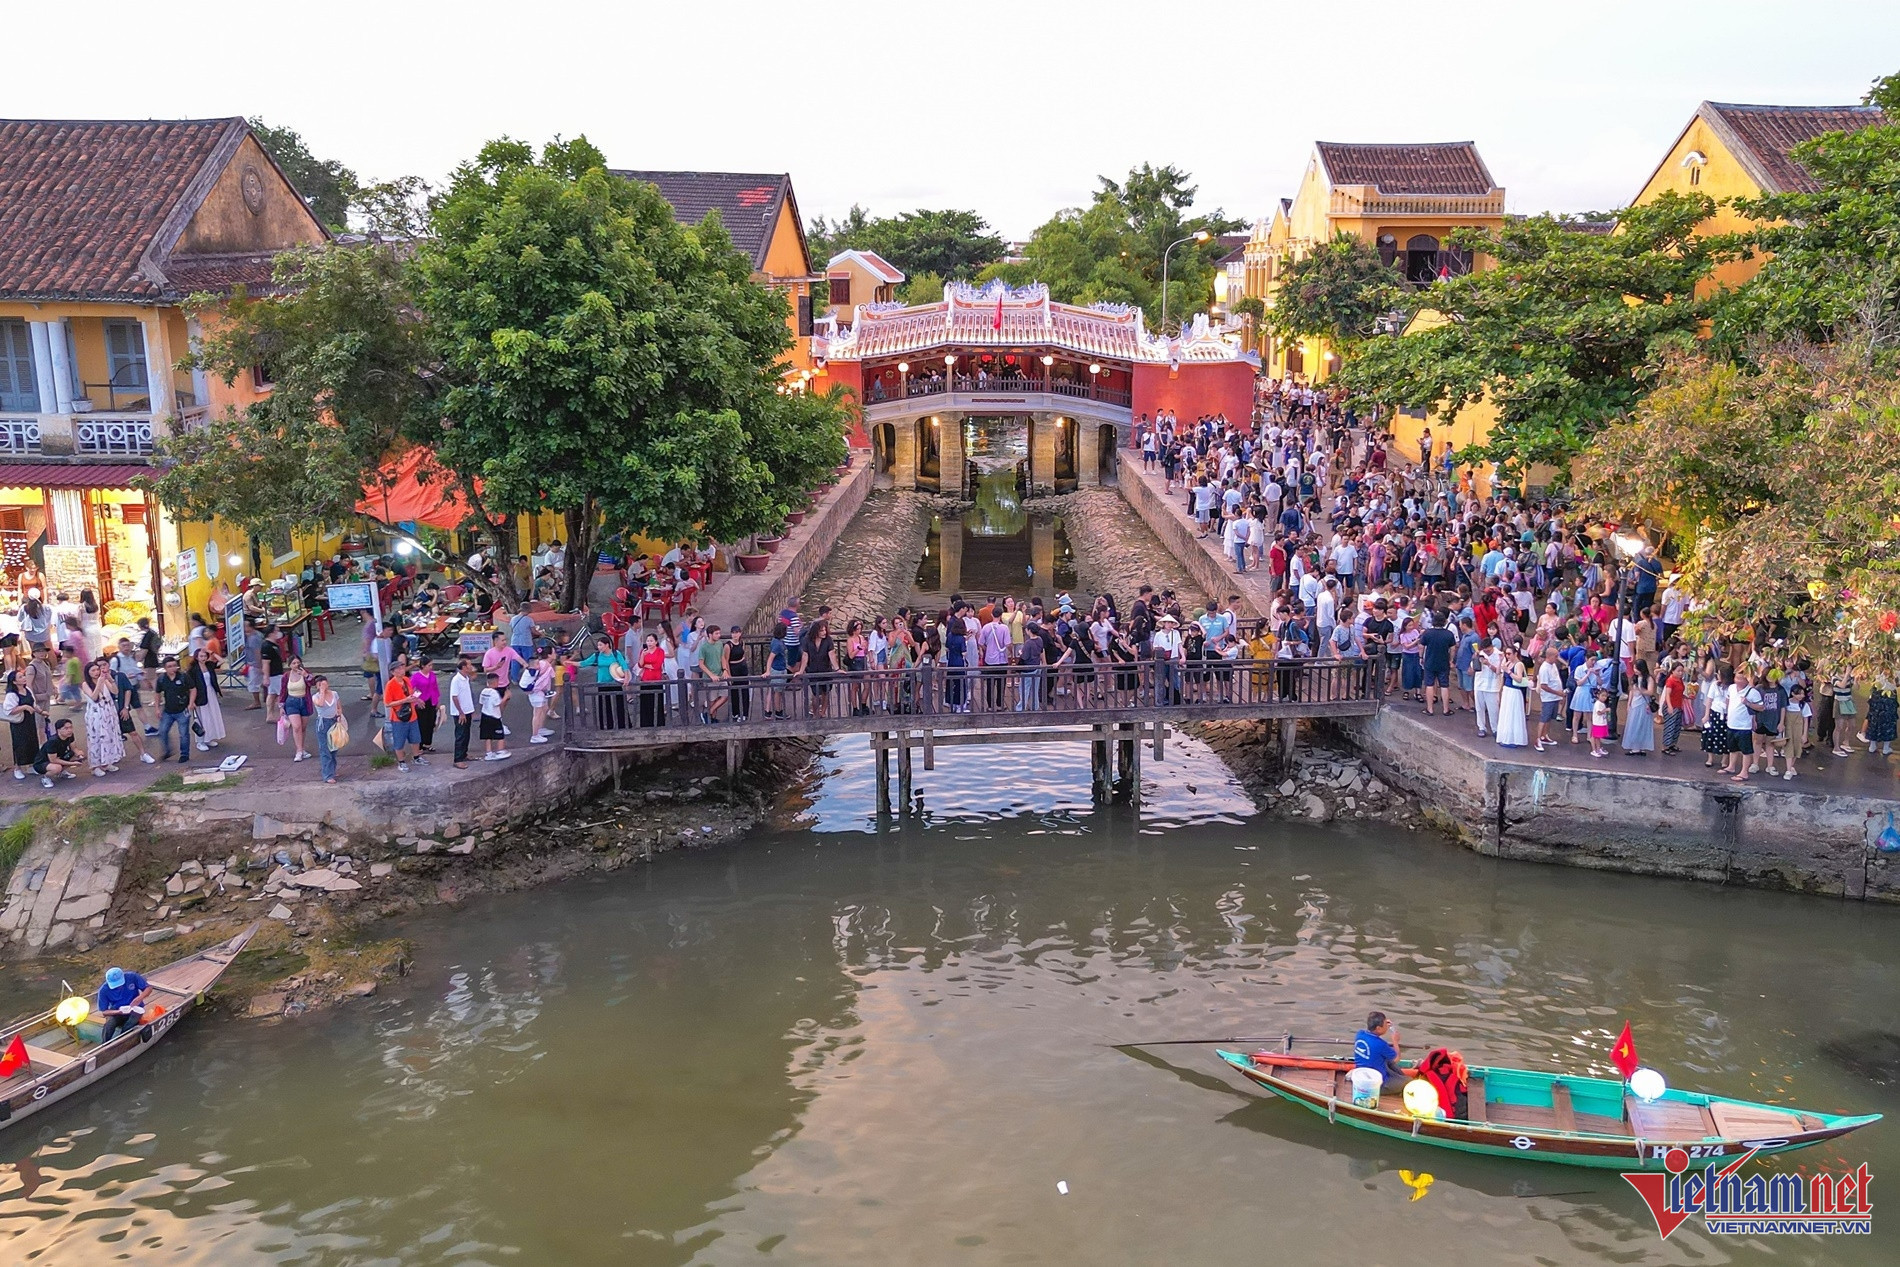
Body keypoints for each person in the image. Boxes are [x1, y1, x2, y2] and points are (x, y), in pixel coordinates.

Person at [81, 659, 124, 776]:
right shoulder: (85, 684)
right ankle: (95, 766)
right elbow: (94, 698)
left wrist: (110, 680)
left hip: (108, 712)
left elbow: (115, 691)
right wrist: (99, 683)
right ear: (88, 673)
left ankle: (107, 762)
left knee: (108, 737)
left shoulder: (104, 680)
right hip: (96, 714)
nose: (96, 672)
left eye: (97, 670)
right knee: (96, 739)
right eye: (93, 670)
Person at [384, 660, 424, 771]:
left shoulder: (406, 680)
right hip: (398, 718)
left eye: (402, 668)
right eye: (399, 669)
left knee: (416, 738)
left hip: (412, 715)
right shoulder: (390, 685)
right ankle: (401, 762)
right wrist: (404, 700)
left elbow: (411, 693)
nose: (402, 671)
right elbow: (387, 703)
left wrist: (417, 699)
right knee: (399, 741)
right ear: (393, 672)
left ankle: (416, 757)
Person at [95, 965, 152, 1043]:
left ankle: (121, 1040)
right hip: (117, 1010)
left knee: (130, 1023)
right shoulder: (103, 990)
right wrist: (118, 1012)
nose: (118, 987)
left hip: (135, 1008)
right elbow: (104, 1011)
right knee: (109, 1023)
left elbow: (148, 988)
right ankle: (105, 1044)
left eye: (120, 984)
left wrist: (140, 998)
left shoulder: (132, 977)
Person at [154, 659, 196, 765]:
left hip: (182, 710)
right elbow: (157, 693)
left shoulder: (183, 676)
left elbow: (193, 689)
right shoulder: (162, 679)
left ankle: (184, 754)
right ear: (165, 668)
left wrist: (191, 703)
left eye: (174, 666)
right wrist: (157, 708)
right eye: (170, 666)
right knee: (162, 731)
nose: (173, 668)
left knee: (183, 734)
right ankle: (167, 750)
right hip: (168, 710)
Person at [1353, 1011, 1406, 1092]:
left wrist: (1385, 1024)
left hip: (1361, 1073)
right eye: (1385, 1024)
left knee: (1388, 1062)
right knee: (1409, 1082)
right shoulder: (1380, 1044)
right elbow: (1397, 1058)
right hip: (1376, 1083)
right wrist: (1395, 1041)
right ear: (1378, 1028)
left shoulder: (1360, 1034)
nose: (1387, 1026)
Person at [448, 656, 479, 768]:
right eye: (469, 665)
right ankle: (458, 759)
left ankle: (464, 754)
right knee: (460, 735)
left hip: (467, 710)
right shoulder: (456, 680)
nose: (471, 667)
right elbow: (455, 697)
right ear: (464, 667)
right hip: (460, 713)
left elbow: (474, 675)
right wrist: (461, 712)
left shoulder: (465, 677)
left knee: (466, 734)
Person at [311, 675, 342, 784]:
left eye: (324, 683)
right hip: (323, 723)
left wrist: (339, 716)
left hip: (334, 721)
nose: (323, 686)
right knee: (325, 749)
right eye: (320, 684)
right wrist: (322, 692)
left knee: (334, 747)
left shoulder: (334, 694)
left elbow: (338, 707)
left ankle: (332, 770)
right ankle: (327, 775)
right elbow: (320, 703)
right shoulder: (315, 697)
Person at [33, 718, 80, 788]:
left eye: (70, 727)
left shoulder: (69, 736)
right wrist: (72, 763)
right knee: (57, 768)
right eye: (66, 728)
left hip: (59, 756)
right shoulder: (53, 741)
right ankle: (45, 778)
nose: (69, 730)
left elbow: (74, 748)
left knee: (72, 753)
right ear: (58, 730)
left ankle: (62, 772)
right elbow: (53, 760)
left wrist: (79, 754)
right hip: (42, 763)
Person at [479, 671, 511, 760]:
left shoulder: (484, 691)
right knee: (500, 734)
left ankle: (488, 752)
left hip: (485, 715)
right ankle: (500, 750)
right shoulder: (494, 693)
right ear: (496, 682)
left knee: (487, 735)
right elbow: (498, 703)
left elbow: (481, 702)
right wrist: (506, 696)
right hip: (494, 716)